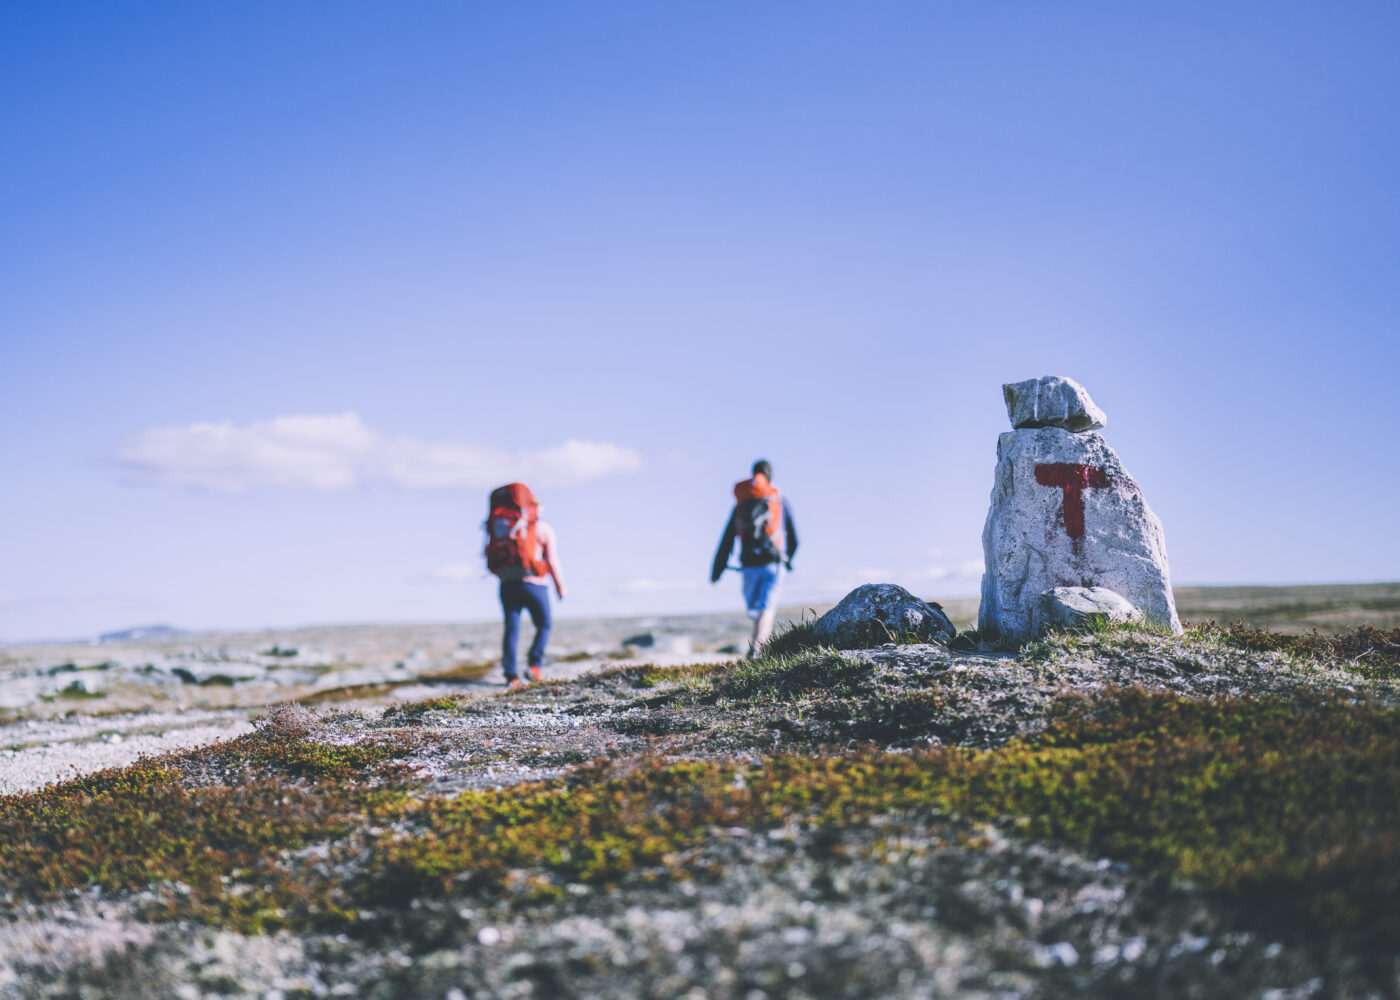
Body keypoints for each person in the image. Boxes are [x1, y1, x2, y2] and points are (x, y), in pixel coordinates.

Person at [710, 460, 799, 657]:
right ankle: (757, 650)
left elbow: (727, 539)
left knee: (757, 611)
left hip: (749, 566)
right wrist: (788, 559)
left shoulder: (741, 504)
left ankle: (755, 648)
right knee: (766, 611)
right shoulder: (778, 501)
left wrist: (717, 570)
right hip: (773, 564)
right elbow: (794, 538)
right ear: (770, 476)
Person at [483, 483, 566, 688]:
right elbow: (552, 560)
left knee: (512, 628)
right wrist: (559, 586)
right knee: (544, 624)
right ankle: (534, 666)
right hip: (534, 585)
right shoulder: (542, 529)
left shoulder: (501, 526)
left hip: (506, 584)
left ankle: (511, 676)